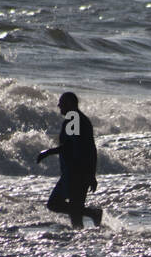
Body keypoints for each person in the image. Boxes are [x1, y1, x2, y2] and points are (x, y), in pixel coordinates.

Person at [37, 91, 102, 227]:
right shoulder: (79, 118)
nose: (59, 105)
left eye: (62, 102)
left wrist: (48, 152)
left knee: (57, 205)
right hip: (77, 172)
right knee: (74, 213)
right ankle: (92, 214)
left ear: (70, 103)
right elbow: (92, 149)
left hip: (76, 172)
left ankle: (92, 215)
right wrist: (91, 174)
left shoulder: (74, 118)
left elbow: (69, 146)